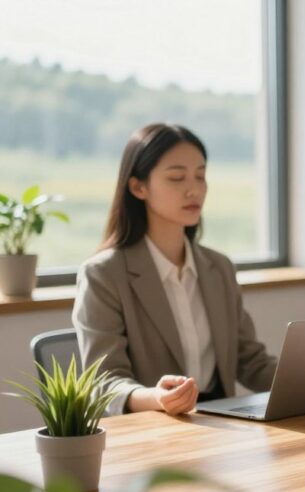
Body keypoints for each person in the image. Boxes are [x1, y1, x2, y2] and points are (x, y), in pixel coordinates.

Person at [73, 123, 278, 416]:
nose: (194, 189)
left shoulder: (218, 268)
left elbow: (250, 362)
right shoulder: (104, 274)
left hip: (224, 424)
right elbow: (103, 382)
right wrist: (155, 397)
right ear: (138, 187)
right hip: (152, 429)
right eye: (177, 178)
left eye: (201, 176)